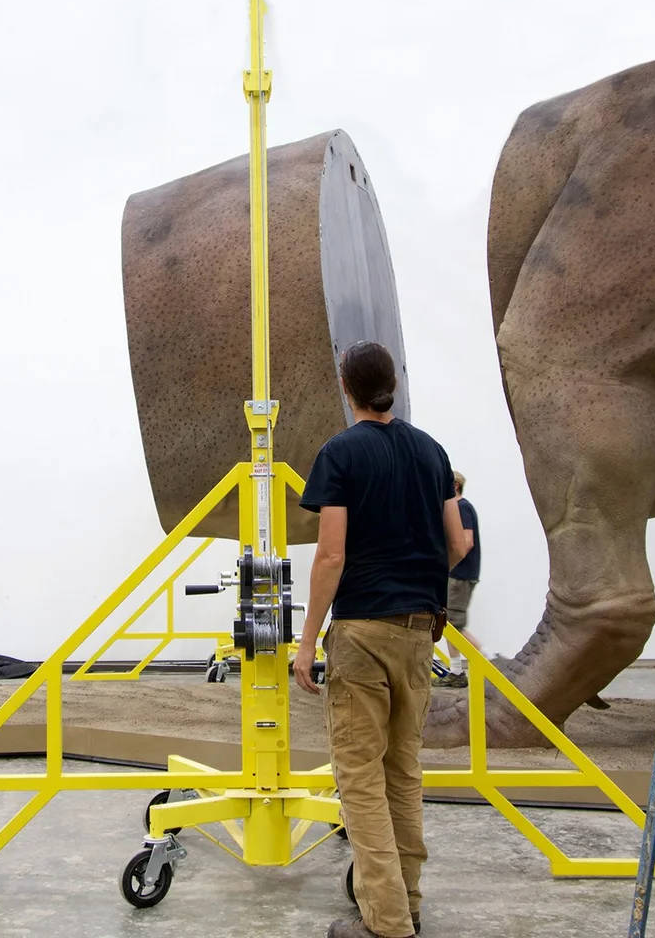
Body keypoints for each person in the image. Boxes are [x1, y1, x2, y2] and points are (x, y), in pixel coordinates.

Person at [293, 340, 469, 938]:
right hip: (421, 629)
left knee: (360, 778)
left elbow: (331, 554)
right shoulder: (431, 452)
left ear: (347, 387)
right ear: (391, 383)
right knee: (403, 771)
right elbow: (459, 545)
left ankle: (388, 923)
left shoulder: (340, 453)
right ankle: (408, 901)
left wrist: (306, 639)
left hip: (362, 629)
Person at [433, 471, 483, 688]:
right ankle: (456, 672)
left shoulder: (462, 508)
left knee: (453, 625)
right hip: (458, 575)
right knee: (450, 624)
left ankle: (488, 661)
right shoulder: (460, 508)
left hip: (459, 575)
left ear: (454, 485)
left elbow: (466, 541)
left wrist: (447, 564)